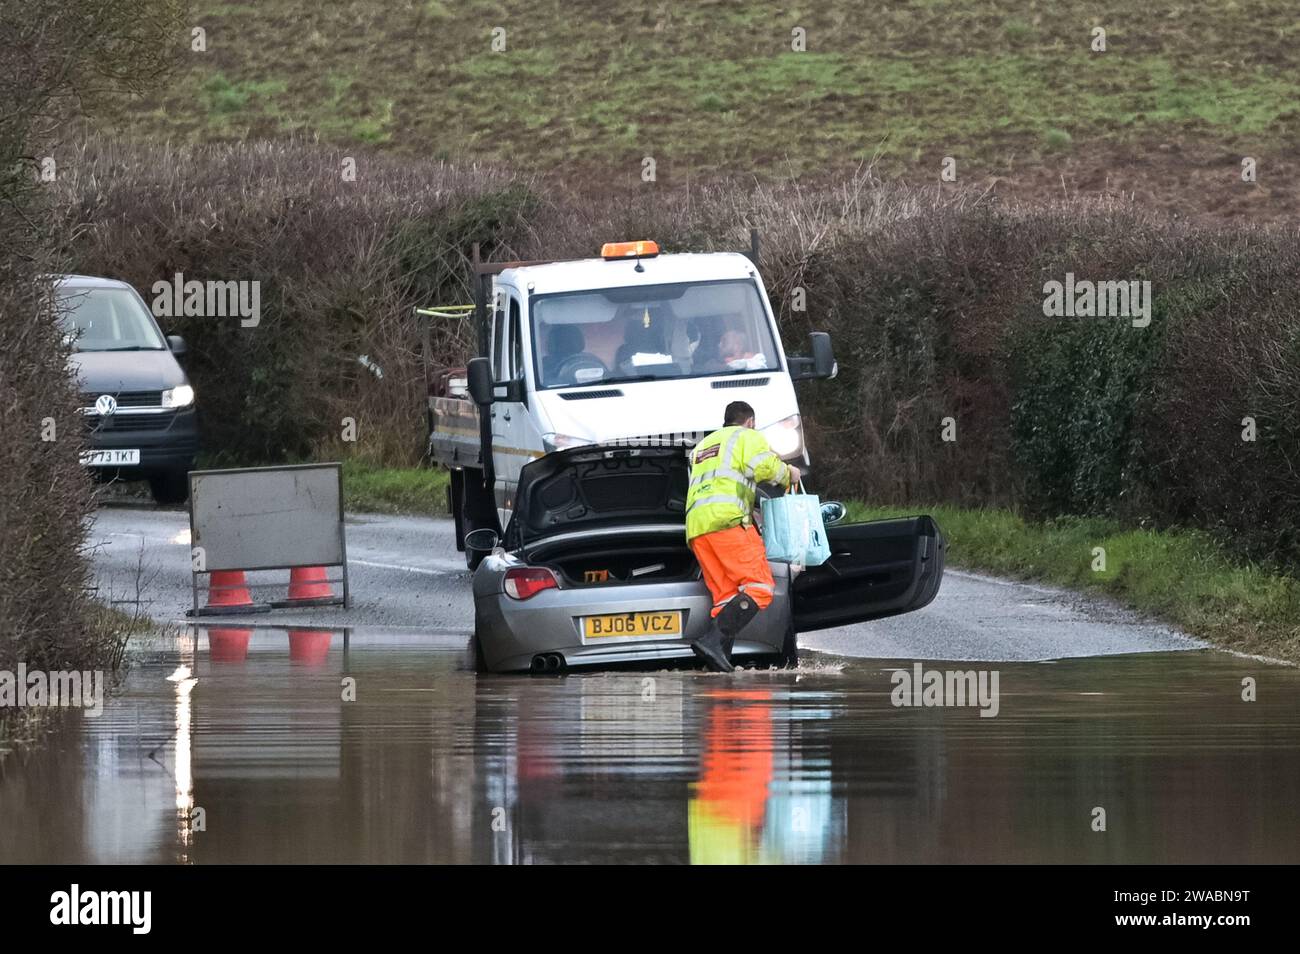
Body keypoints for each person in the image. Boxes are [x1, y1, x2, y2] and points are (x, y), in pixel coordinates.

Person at [685, 401, 801, 671]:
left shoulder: (704, 446)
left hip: (698, 528)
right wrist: (789, 474)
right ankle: (712, 642)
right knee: (760, 587)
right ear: (750, 421)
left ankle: (717, 659)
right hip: (728, 521)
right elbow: (764, 468)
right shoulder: (746, 436)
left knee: (725, 596)